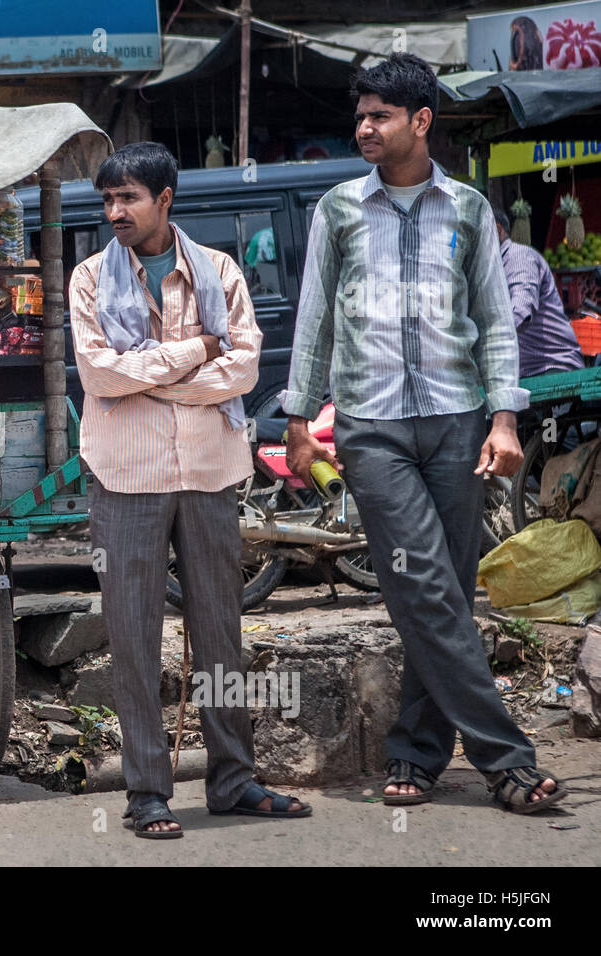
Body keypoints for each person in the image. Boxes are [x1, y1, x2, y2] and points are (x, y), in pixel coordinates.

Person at [282, 53, 565, 813]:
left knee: (441, 597)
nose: (364, 128)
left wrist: (505, 419)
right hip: (371, 430)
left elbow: (496, 327)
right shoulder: (338, 209)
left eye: (379, 116)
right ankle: (508, 760)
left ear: (421, 122)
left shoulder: (469, 209)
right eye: (361, 115)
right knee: (426, 586)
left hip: (457, 424)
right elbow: (313, 321)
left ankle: (414, 752)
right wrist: (298, 420)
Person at [70, 141, 309, 839]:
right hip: (127, 476)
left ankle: (233, 779)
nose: (115, 211)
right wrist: (194, 352)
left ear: (164, 200)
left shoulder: (219, 271)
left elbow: (243, 370)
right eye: (107, 200)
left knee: (220, 635)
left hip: (208, 473)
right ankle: (147, 791)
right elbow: (101, 377)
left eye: (128, 199)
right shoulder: (89, 279)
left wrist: (154, 374)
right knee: (134, 637)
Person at [491, 207, 585, 377]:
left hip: (552, 369)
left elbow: (521, 307)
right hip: (522, 374)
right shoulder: (490, 269)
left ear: (497, 230)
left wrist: (489, 340)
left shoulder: (518, 257)